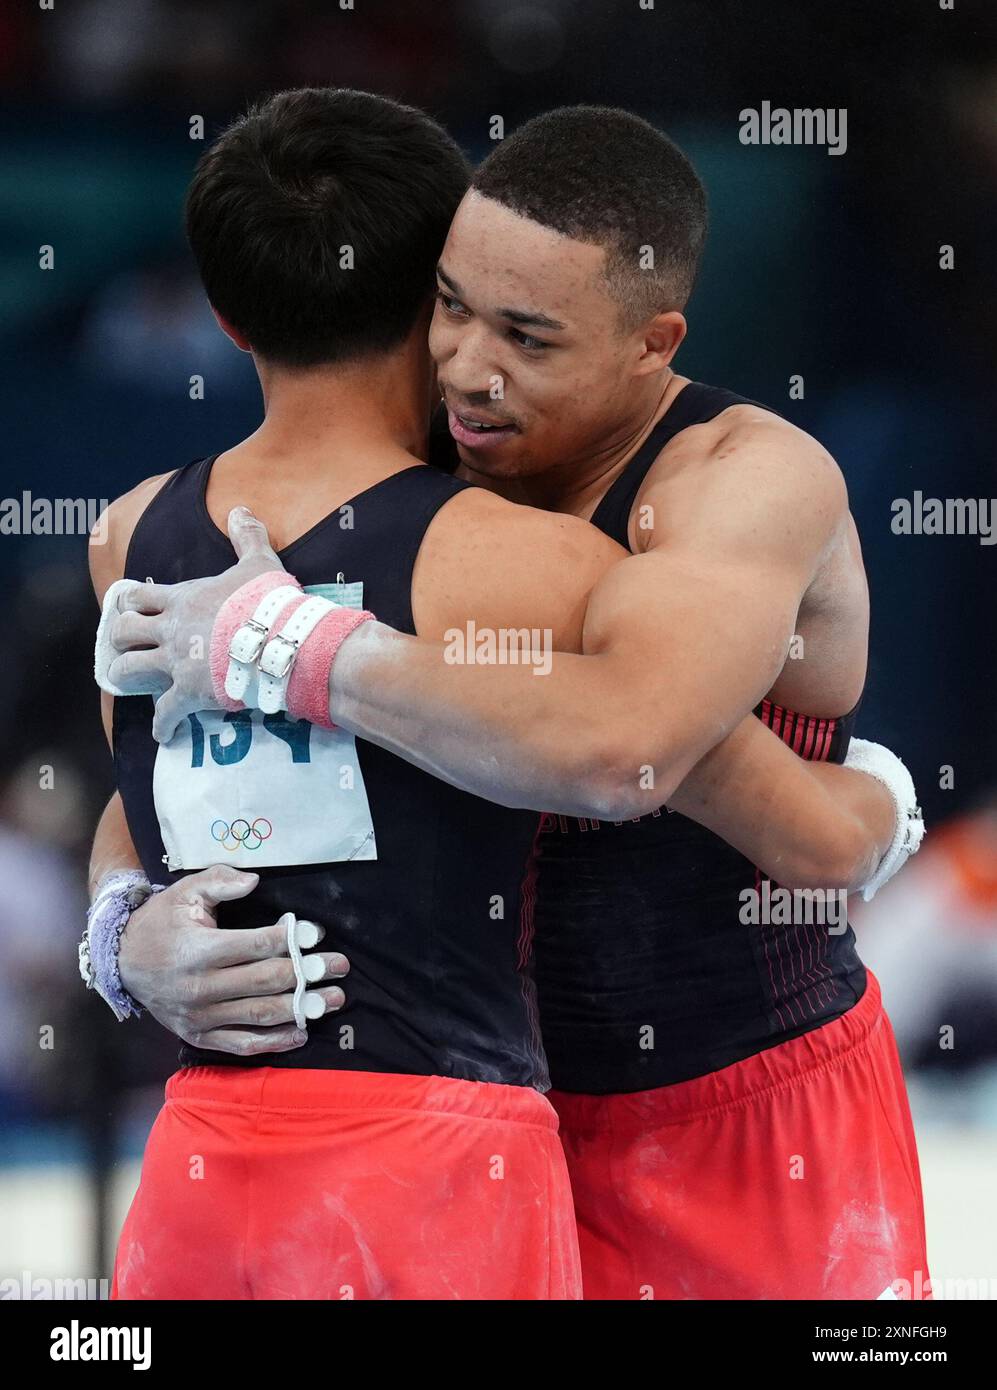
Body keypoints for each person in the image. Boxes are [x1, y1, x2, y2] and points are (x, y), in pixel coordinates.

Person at [95, 95, 925, 1300]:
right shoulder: (418, 477)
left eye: (528, 339)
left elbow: (623, 750)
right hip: (488, 1134)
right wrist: (127, 926)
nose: (469, 372)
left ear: (653, 342)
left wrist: (299, 646)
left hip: (742, 1111)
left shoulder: (741, 483)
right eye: (449, 307)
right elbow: (173, 773)